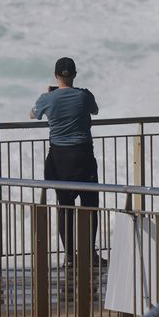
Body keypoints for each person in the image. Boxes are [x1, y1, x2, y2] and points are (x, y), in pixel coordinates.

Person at [31, 57, 105, 268]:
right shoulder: (84, 95)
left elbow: (33, 115)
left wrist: (49, 96)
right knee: (90, 205)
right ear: (73, 75)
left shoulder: (48, 98)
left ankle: (70, 256)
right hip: (83, 155)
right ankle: (90, 253)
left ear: (56, 76)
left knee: (65, 207)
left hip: (59, 158)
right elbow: (95, 110)